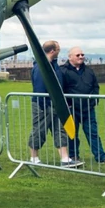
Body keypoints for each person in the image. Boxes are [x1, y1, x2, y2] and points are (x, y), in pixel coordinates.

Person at [28, 40, 80, 168]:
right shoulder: (41, 67)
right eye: (58, 49)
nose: (59, 51)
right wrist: (43, 105)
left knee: (60, 130)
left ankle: (65, 158)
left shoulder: (54, 65)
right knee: (39, 130)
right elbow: (40, 88)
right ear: (52, 51)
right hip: (43, 105)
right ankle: (33, 157)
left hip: (56, 104)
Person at [60, 46, 105, 163]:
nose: (81, 57)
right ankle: (73, 155)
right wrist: (68, 104)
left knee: (93, 133)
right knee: (72, 134)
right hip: (72, 109)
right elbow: (61, 89)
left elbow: (95, 86)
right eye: (78, 55)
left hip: (88, 108)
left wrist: (94, 100)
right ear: (70, 57)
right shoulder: (63, 71)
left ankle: (101, 157)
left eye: (82, 55)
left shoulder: (89, 71)